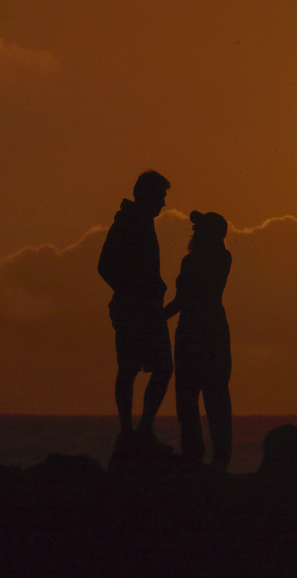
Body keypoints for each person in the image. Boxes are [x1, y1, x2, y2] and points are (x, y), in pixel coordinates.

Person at [98, 170, 173, 452]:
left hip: (148, 308)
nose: (163, 204)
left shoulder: (141, 222)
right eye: (160, 197)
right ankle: (131, 430)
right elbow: (104, 265)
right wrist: (130, 292)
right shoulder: (127, 224)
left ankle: (141, 430)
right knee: (132, 369)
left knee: (159, 368)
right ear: (148, 195)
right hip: (134, 309)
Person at [164, 210, 233, 471]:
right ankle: (219, 456)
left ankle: (195, 453)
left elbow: (183, 299)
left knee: (189, 395)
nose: (193, 232)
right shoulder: (224, 257)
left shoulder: (192, 262)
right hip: (213, 328)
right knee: (214, 394)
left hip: (193, 330)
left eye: (198, 229)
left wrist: (158, 317)